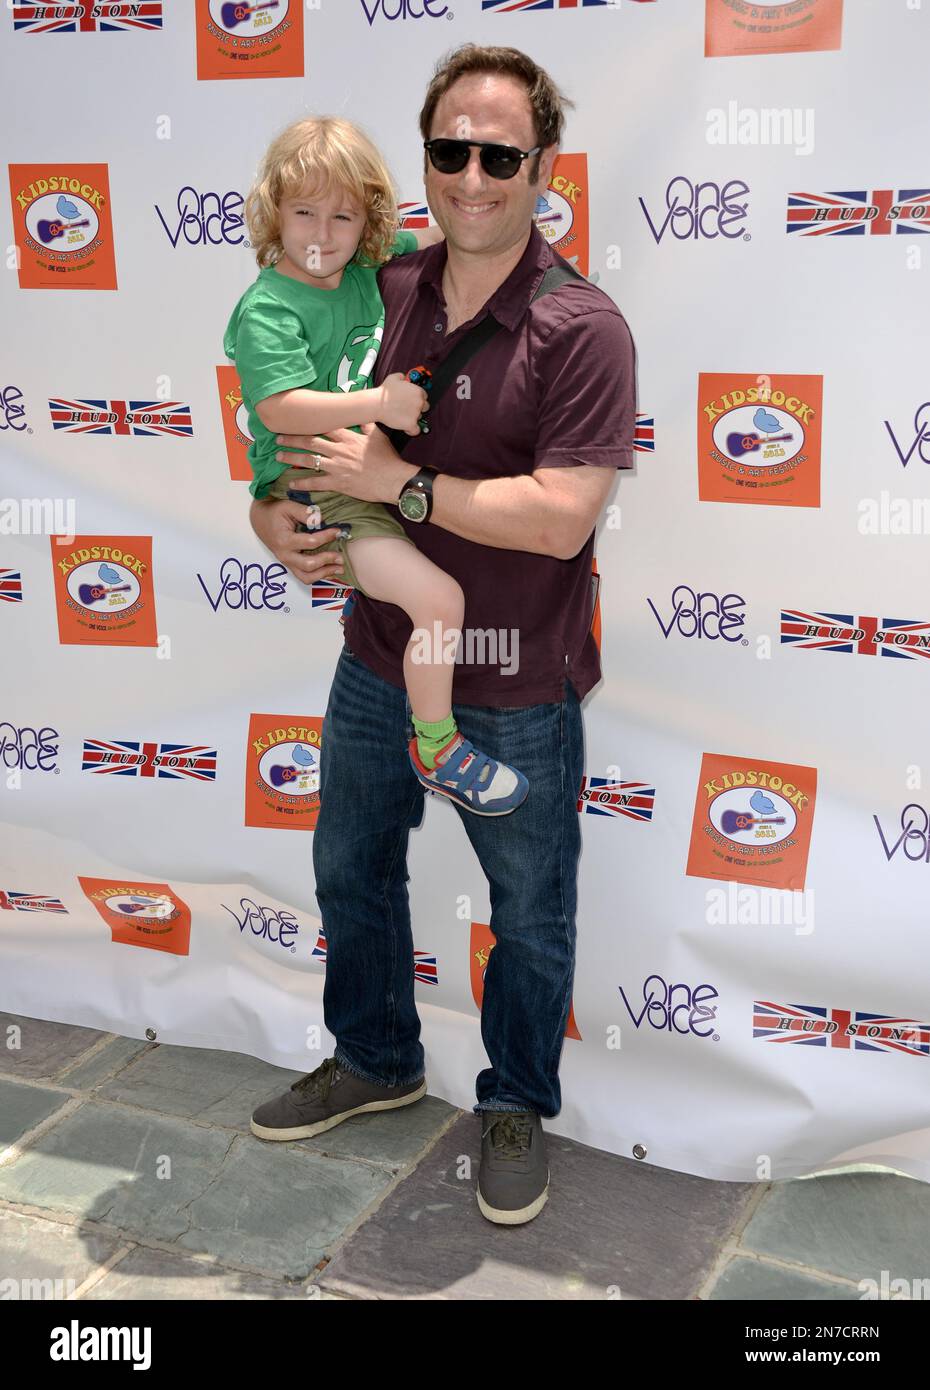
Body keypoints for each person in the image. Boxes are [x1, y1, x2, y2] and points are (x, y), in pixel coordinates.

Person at [248, 45, 637, 1227]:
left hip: (517, 683)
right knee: (347, 869)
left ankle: (514, 1099)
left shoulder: (582, 327)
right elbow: (292, 432)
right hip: (376, 659)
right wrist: (269, 514)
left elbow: (564, 518)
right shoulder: (381, 288)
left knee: (530, 909)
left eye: (500, 154)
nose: (473, 175)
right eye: (449, 149)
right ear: (423, 158)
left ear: (543, 166)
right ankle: (374, 1056)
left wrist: (402, 484)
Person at [223, 116, 530, 815]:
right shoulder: (268, 307)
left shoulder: (368, 266)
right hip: (323, 488)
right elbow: (277, 408)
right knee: (441, 601)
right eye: (303, 213)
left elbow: (450, 247)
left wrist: (536, 288)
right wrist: (381, 401)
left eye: (343, 216)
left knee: (443, 595)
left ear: (367, 223)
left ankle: (430, 737)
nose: (323, 235)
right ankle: (437, 747)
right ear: (274, 212)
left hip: (369, 475)